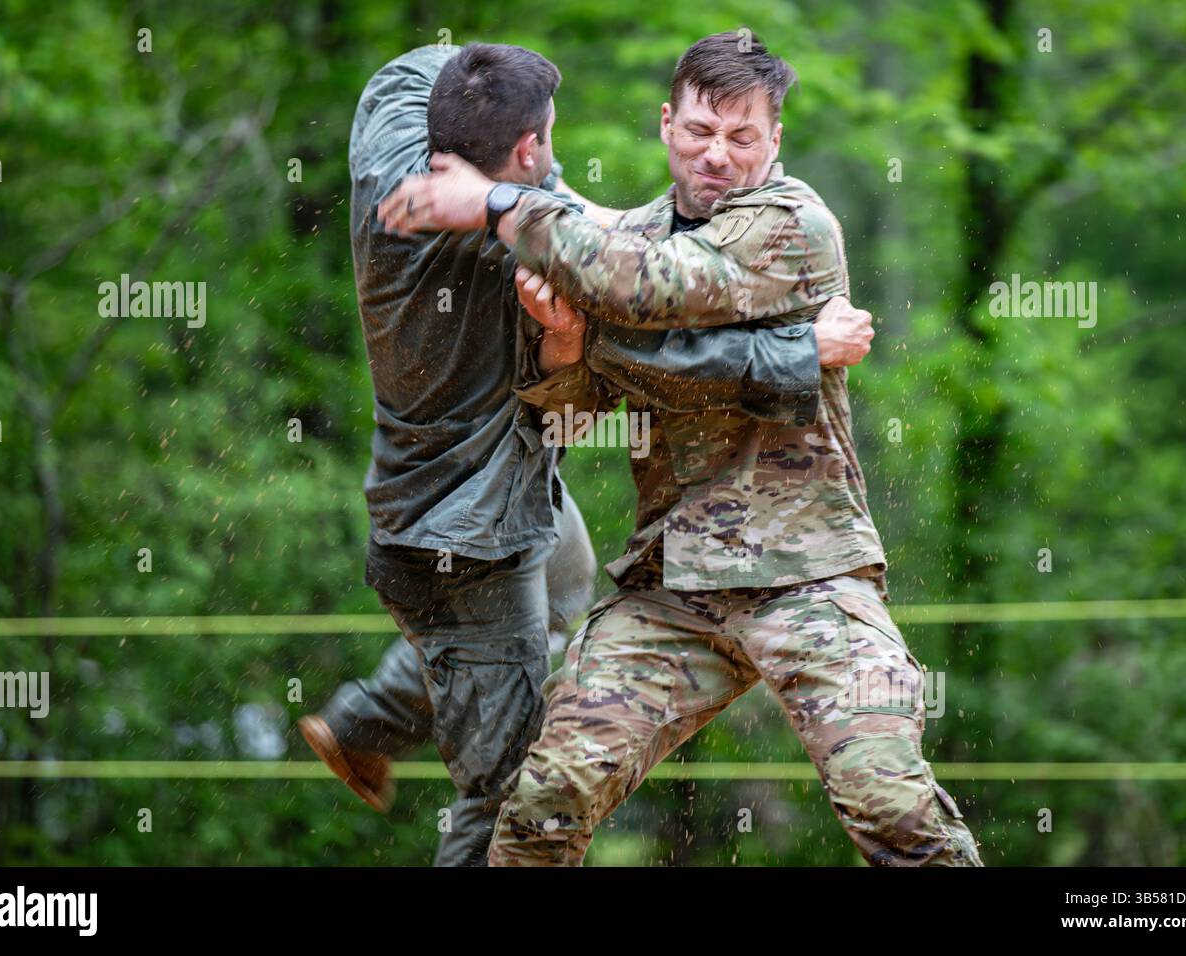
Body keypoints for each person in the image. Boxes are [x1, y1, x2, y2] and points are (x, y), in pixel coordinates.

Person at [379, 31, 984, 867]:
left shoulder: (792, 225)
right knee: (544, 803)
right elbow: (579, 416)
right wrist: (563, 345)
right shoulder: (623, 237)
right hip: (671, 589)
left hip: (806, 576)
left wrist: (495, 205)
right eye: (700, 130)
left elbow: (654, 287)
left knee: (891, 805)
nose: (718, 155)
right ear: (667, 123)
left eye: (743, 137)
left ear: (776, 142)